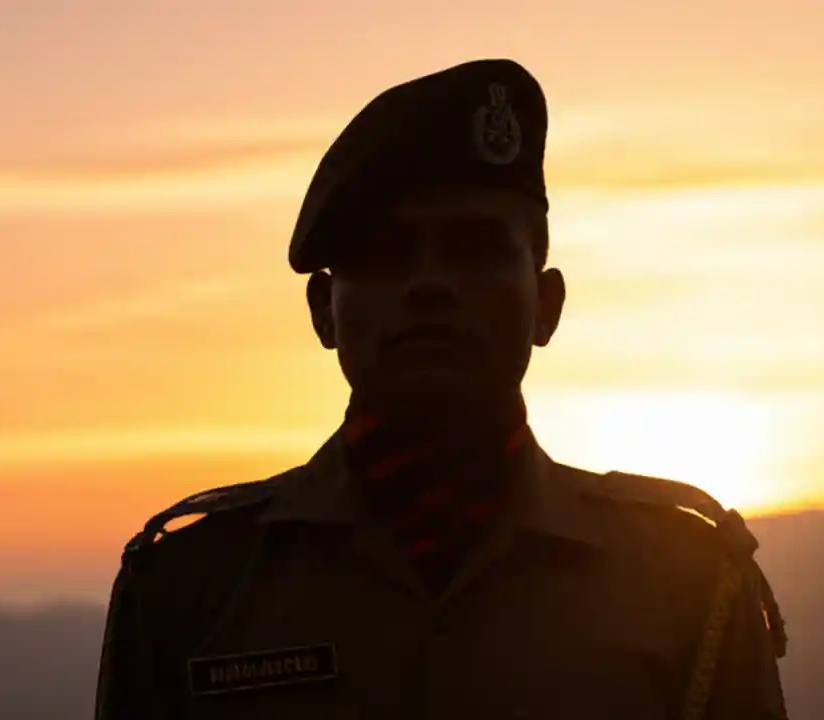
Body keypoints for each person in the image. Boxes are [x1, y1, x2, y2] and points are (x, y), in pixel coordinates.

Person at [95, 58, 788, 720]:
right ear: (323, 311)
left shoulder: (688, 585)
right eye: (386, 253)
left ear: (545, 305)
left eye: (475, 249)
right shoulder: (187, 594)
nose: (429, 284)